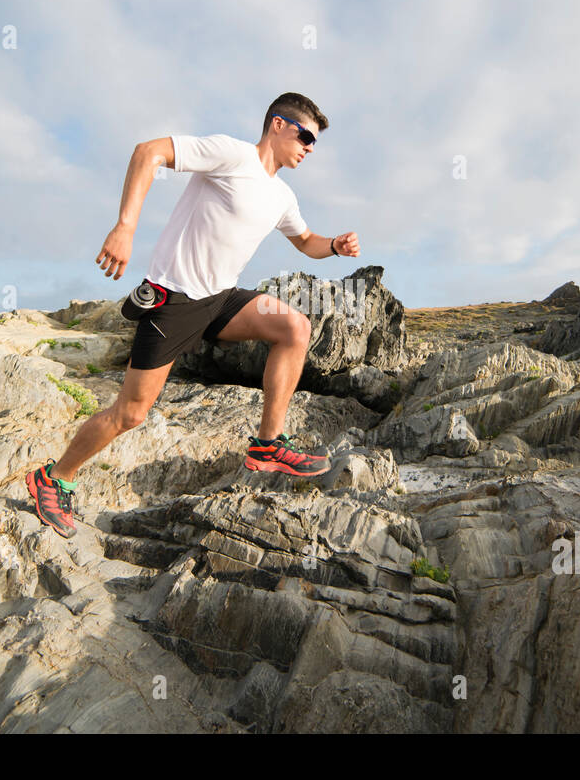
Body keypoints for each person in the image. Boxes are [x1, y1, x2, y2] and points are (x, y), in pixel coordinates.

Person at [27, 92, 361, 537]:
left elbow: (305, 241)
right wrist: (125, 226)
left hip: (220, 300)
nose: (309, 148)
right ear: (277, 125)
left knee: (294, 327)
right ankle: (54, 478)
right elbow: (149, 152)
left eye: (315, 142)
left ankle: (267, 445)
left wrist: (334, 246)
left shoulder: (282, 196)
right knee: (130, 413)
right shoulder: (232, 154)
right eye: (305, 136)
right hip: (176, 301)